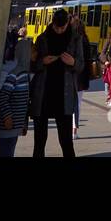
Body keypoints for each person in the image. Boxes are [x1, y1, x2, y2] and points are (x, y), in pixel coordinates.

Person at [28, 9, 81, 158]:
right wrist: (41, 62)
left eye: (62, 28)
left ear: (67, 25)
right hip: (43, 92)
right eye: (57, 27)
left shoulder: (75, 39)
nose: (59, 30)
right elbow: (31, 65)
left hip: (64, 94)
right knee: (39, 141)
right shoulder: (42, 38)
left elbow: (81, 65)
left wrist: (73, 62)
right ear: (52, 23)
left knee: (66, 141)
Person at [0, 47, 30, 157]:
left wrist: (24, 124)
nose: (36, 54)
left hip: (16, 125)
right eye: (33, 51)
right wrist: (7, 117)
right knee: (6, 153)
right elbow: (3, 97)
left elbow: (24, 102)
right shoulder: (14, 74)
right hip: (8, 124)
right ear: (25, 55)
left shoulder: (24, 74)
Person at [69, 16, 90, 139]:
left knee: (67, 104)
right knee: (78, 103)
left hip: (68, 75)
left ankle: (68, 129)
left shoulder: (69, 39)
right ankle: (74, 130)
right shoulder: (85, 39)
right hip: (81, 77)